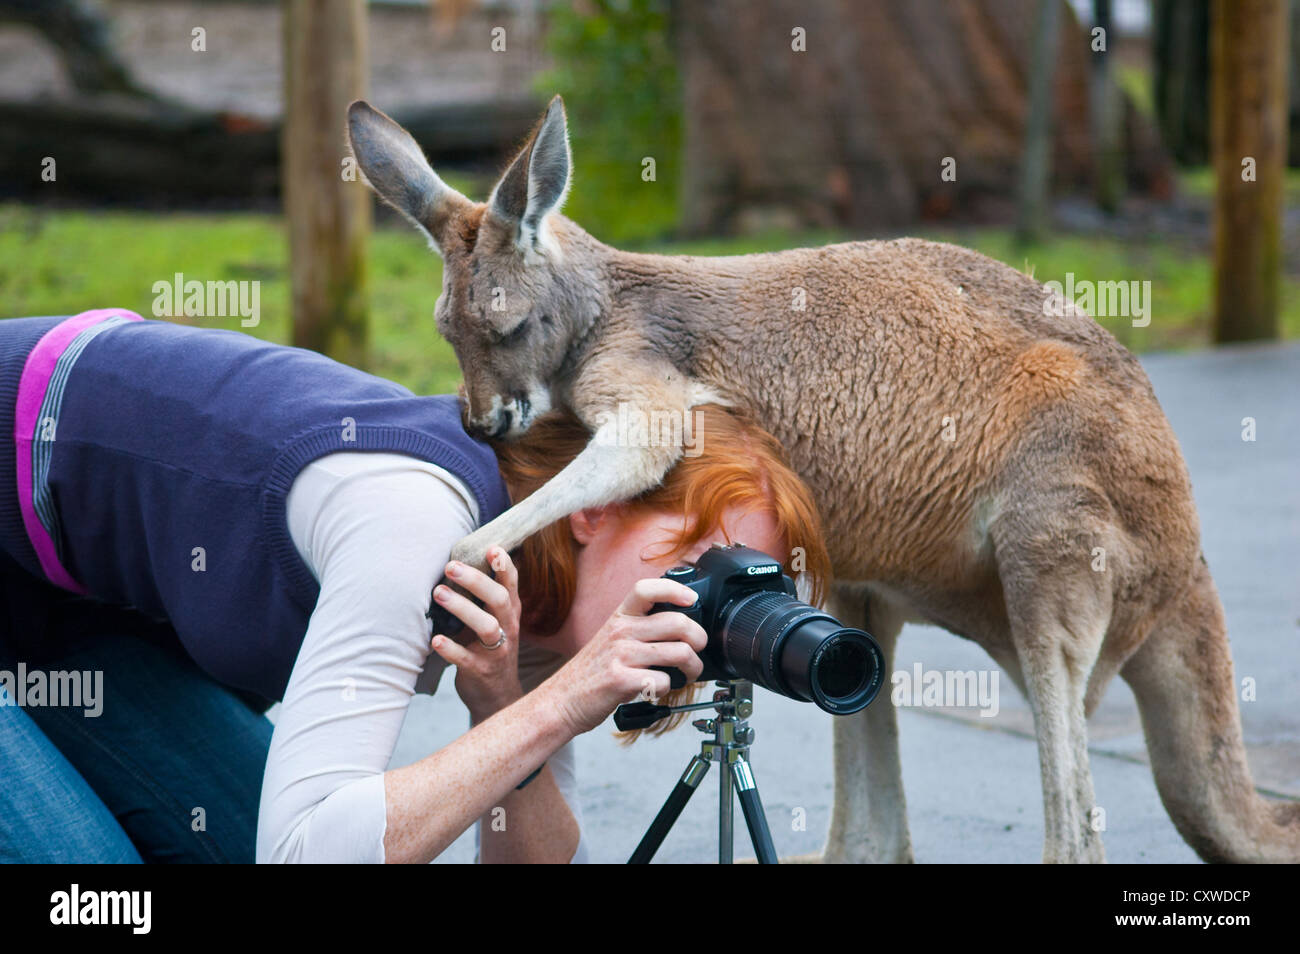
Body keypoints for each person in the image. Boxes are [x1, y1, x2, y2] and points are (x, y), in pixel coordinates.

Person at [0, 309, 827, 864]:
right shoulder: (411, 517)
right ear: (598, 503)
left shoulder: (542, 589)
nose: (702, 601)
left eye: (739, 586)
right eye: (698, 557)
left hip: (75, 610)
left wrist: (509, 707)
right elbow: (306, 851)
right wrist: (561, 704)